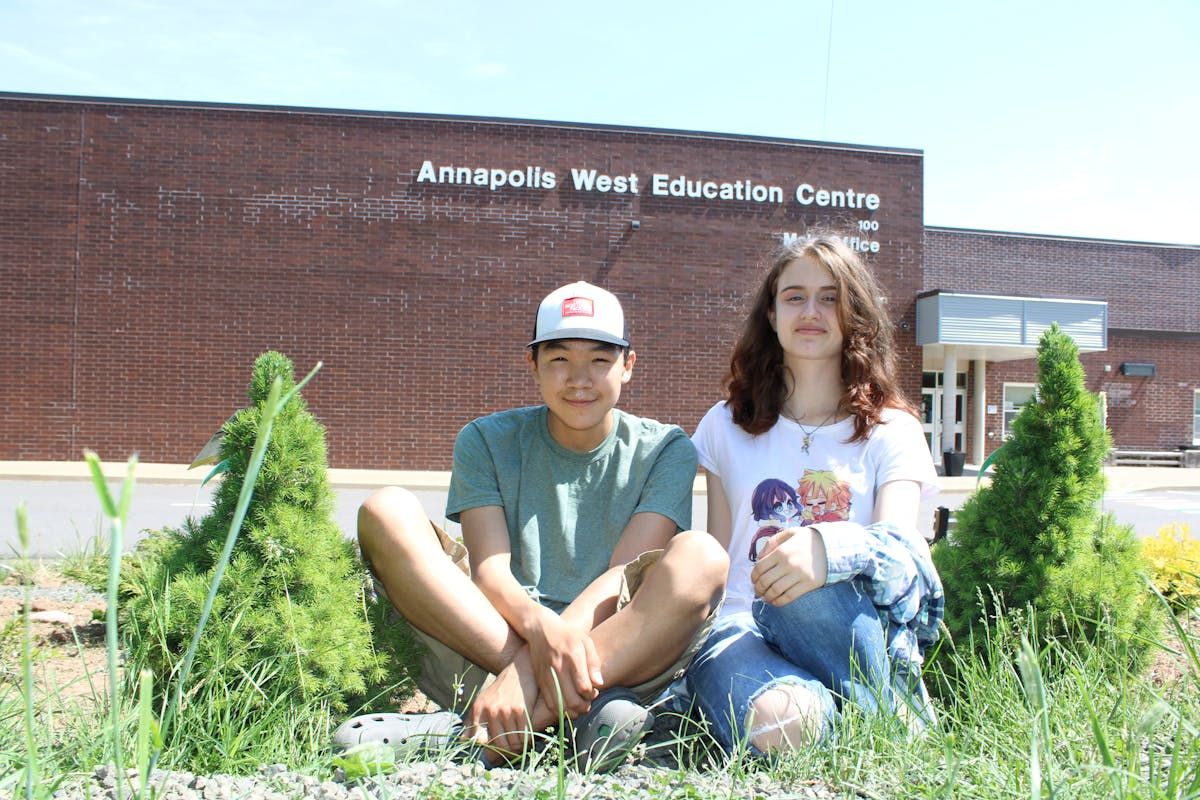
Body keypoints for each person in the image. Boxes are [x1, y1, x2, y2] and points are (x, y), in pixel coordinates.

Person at [335, 280, 727, 771]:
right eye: (559, 359)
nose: (579, 379)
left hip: (617, 652)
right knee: (385, 509)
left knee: (703, 556)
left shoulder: (665, 449)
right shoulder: (486, 440)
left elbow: (620, 576)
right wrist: (536, 640)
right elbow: (491, 573)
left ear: (628, 365)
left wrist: (527, 677)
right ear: (533, 365)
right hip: (493, 643)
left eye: (599, 360)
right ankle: (574, 722)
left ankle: (474, 734)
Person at [682, 232, 943, 755]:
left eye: (830, 297)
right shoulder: (725, 426)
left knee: (809, 586)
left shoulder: (892, 428)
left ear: (855, 317)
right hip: (740, 630)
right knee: (784, 727)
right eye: (794, 296)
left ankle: (871, 715)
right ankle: (881, 723)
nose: (811, 311)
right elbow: (715, 558)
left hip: (843, 629)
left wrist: (830, 551)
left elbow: (906, 554)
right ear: (772, 315)